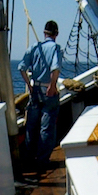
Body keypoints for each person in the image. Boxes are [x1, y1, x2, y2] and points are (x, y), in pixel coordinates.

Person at [20, 21, 63, 167]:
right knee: (47, 128)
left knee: (31, 126)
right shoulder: (55, 48)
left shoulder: (34, 47)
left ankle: (28, 158)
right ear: (56, 34)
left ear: (44, 33)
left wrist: (29, 85)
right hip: (48, 91)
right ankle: (43, 161)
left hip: (35, 90)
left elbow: (21, 68)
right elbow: (55, 68)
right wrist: (52, 86)